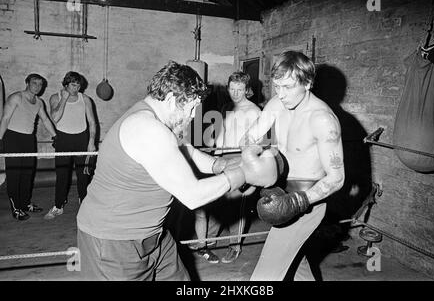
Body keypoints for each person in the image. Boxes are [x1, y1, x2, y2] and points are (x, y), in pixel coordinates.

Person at [76, 61, 281, 281]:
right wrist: (245, 173)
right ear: (173, 99)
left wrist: (220, 165)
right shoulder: (147, 128)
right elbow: (193, 195)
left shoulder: (161, 122)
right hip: (113, 241)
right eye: (191, 107)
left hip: (154, 237)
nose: (194, 115)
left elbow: (187, 151)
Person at [241, 51, 345, 281]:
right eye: (277, 86)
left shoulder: (322, 119)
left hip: (308, 201)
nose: (281, 94)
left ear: (307, 82)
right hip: (279, 191)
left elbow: (337, 178)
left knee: (265, 276)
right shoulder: (276, 104)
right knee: (296, 263)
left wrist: (298, 202)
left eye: (288, 87)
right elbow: (249, 138)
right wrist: (261, 160)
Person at [193, 71, 261, 264]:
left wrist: (250, 164)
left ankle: (234, 245)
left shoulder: (255, 111)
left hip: (241, 159)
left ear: (247, 90)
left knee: (237, 205)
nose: (236, 93)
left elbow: (259, 142)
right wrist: (213, 159)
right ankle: (211, 239)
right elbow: (221, 135)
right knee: (216, 199)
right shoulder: (225, 107)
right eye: (232, 89)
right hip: (222, 157)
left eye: (240, 89)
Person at [0, 73, 56, 220]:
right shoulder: (16, 97)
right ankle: (16, 208)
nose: (37, 86)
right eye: (34, 83)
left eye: (40, 84)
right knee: (14, 175)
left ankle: (25, 203)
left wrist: (56, 136)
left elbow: (45, 119)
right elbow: (5, 118)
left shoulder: (39, 102)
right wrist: (0, 139)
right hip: (12, 138)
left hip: (28, 139)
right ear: (27, 83)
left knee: (27, 173)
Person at [44, 71, 97, 220]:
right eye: (73, 84)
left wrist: (91, 142)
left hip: (82, 138)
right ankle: (58, 205)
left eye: (78, 84)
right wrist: (64, 99)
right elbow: (55, 118)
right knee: (62, 175)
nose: (76, 87)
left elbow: (92, 122)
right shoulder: (56, 97)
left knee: (83, 175)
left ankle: (84, 203)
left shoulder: (85, 99)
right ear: (66, 84)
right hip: (63, 139)